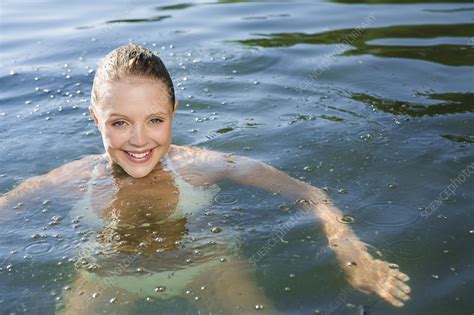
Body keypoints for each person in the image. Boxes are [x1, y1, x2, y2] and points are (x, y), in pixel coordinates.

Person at [0, 44, 410, 314]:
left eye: (155, 120)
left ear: (174, 112)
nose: (139, 140)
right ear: (95, 118)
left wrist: (352, 253)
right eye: (120, 122)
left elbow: (310, 195)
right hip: (108, 274)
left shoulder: (204, 166)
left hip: (208, 267)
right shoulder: (69, 179)